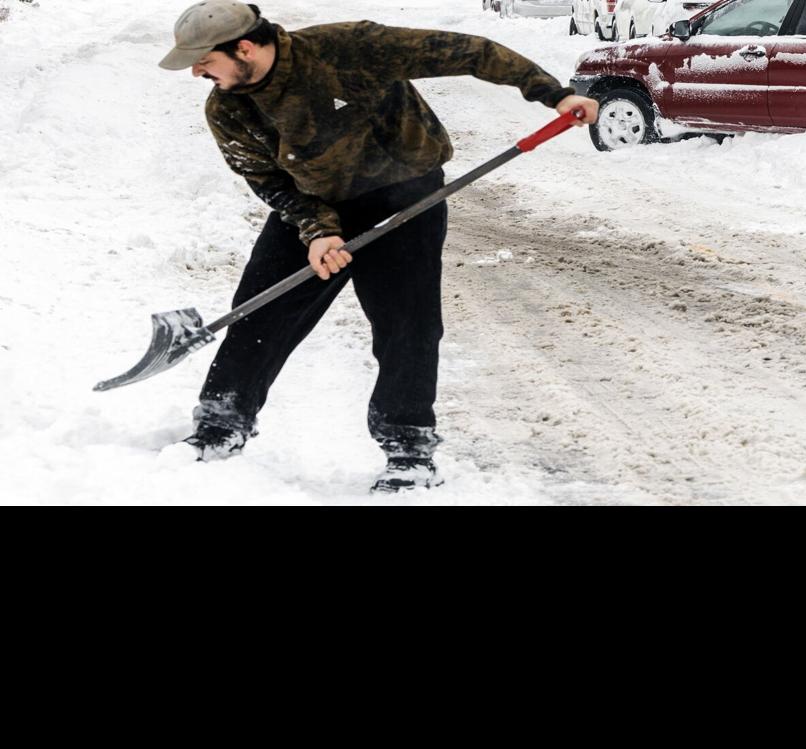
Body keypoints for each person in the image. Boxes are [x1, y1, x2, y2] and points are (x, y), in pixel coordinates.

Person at [158, 0, 597, 491]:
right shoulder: (227, 108)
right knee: (259, 310)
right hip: (313, 203)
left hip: (404, 196)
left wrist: (554, 95)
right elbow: (267, 180)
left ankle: (408, 448)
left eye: (204, 60)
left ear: (244, 48)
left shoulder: (348, 48)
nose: (197, 72)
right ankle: (220, 425)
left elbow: (468, 51)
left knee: (407, 324)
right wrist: (318, 230)